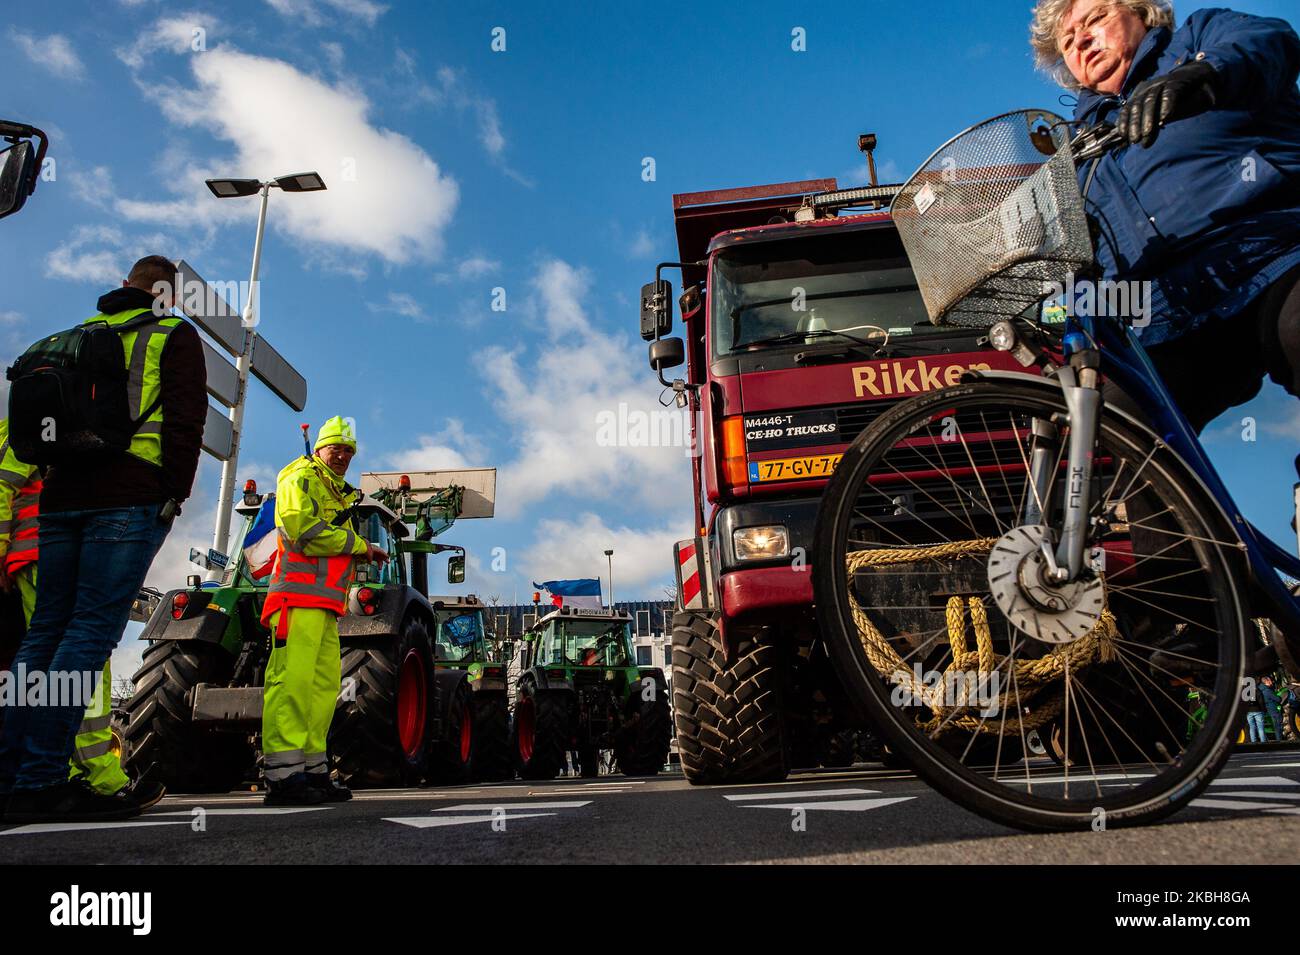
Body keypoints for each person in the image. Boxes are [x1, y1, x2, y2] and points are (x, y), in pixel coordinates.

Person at [0, 255, 206, 824]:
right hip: (127, 495)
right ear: (166, 295)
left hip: (60, 499)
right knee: (89, 635)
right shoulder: (172, 334)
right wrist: (173, 495)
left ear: (122, 287)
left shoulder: (76, 336)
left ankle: (11, 775)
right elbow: (186, 421)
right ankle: (42, 777)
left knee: (42, 637)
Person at [1029, 1, 1300, 432]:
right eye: (1067, 40)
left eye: (1095, 19)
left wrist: (1200, 75)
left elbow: (1268, 42)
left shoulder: (1197, 38)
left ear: (1142, 13)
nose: (1081, 39)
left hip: (1275, 254)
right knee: (1119, 433)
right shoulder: (1081, 149)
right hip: (1176, 316)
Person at [0, 419, 164, 809]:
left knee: (44, 663)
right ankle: (87, 776)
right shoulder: (54, 419)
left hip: (44, 550)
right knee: (83, 663)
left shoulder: (28, 420)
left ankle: (27, 773)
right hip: (51, 550)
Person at [259, 416, 386, 806]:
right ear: (319, 449)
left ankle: (312, 770)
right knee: (292, 684)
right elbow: (301, 530)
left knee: (321, 689)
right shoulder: (299, 476)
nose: (343, 456)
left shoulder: (332, 488)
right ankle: (283, 777)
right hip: (296, 600)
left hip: (325, 606)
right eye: (337, 449)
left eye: (349, 451)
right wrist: (359, 545)